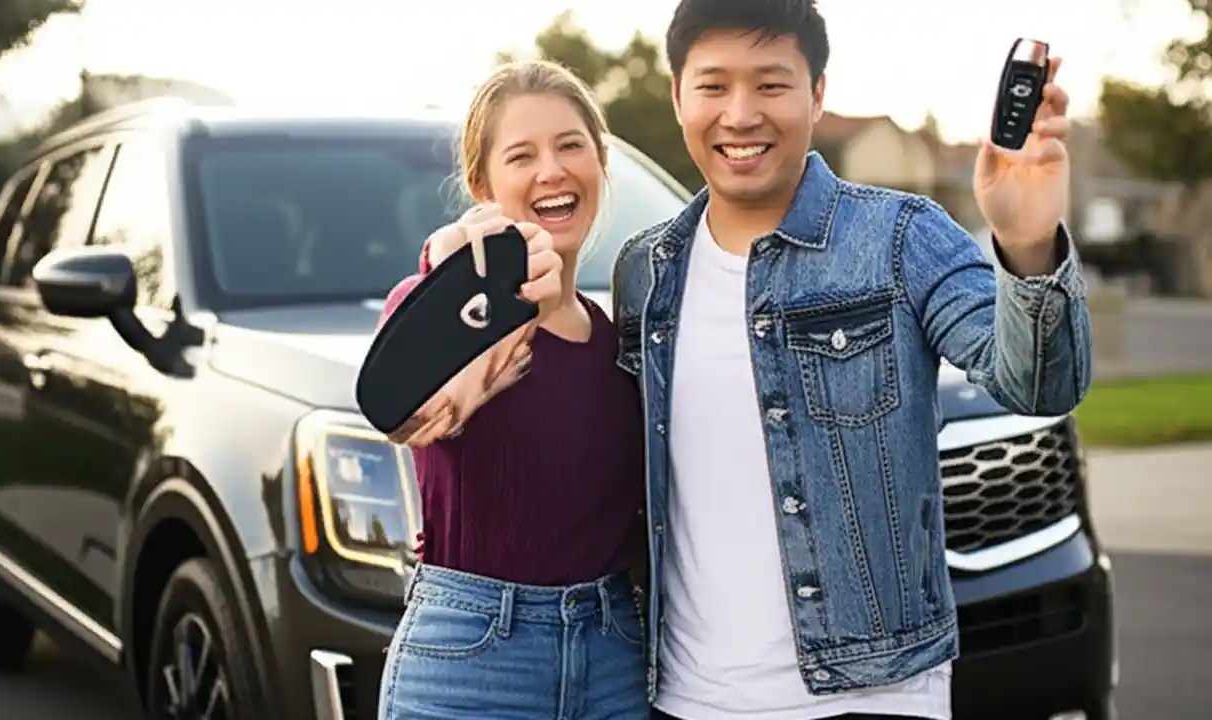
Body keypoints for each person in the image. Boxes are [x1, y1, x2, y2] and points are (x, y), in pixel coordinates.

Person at [608, 1, 1093, 719]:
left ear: (817, 93)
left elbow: (1038, 384)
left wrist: (1027, 246)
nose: (741, 115)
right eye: (713, 86)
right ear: (678, 95)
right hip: (686, 699)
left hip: (877, 694)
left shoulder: (899, 238)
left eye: (771, 84)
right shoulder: (646, 269)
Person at [371, 60, 652, 720]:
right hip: (470, 660)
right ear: (481, 184)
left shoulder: (624, 343)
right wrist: (474, 297)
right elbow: (401, 411)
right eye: (521, 155)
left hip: (615, 658)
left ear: (600, 161)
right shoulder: (428, 307)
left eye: (570, 146)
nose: (551, 171)